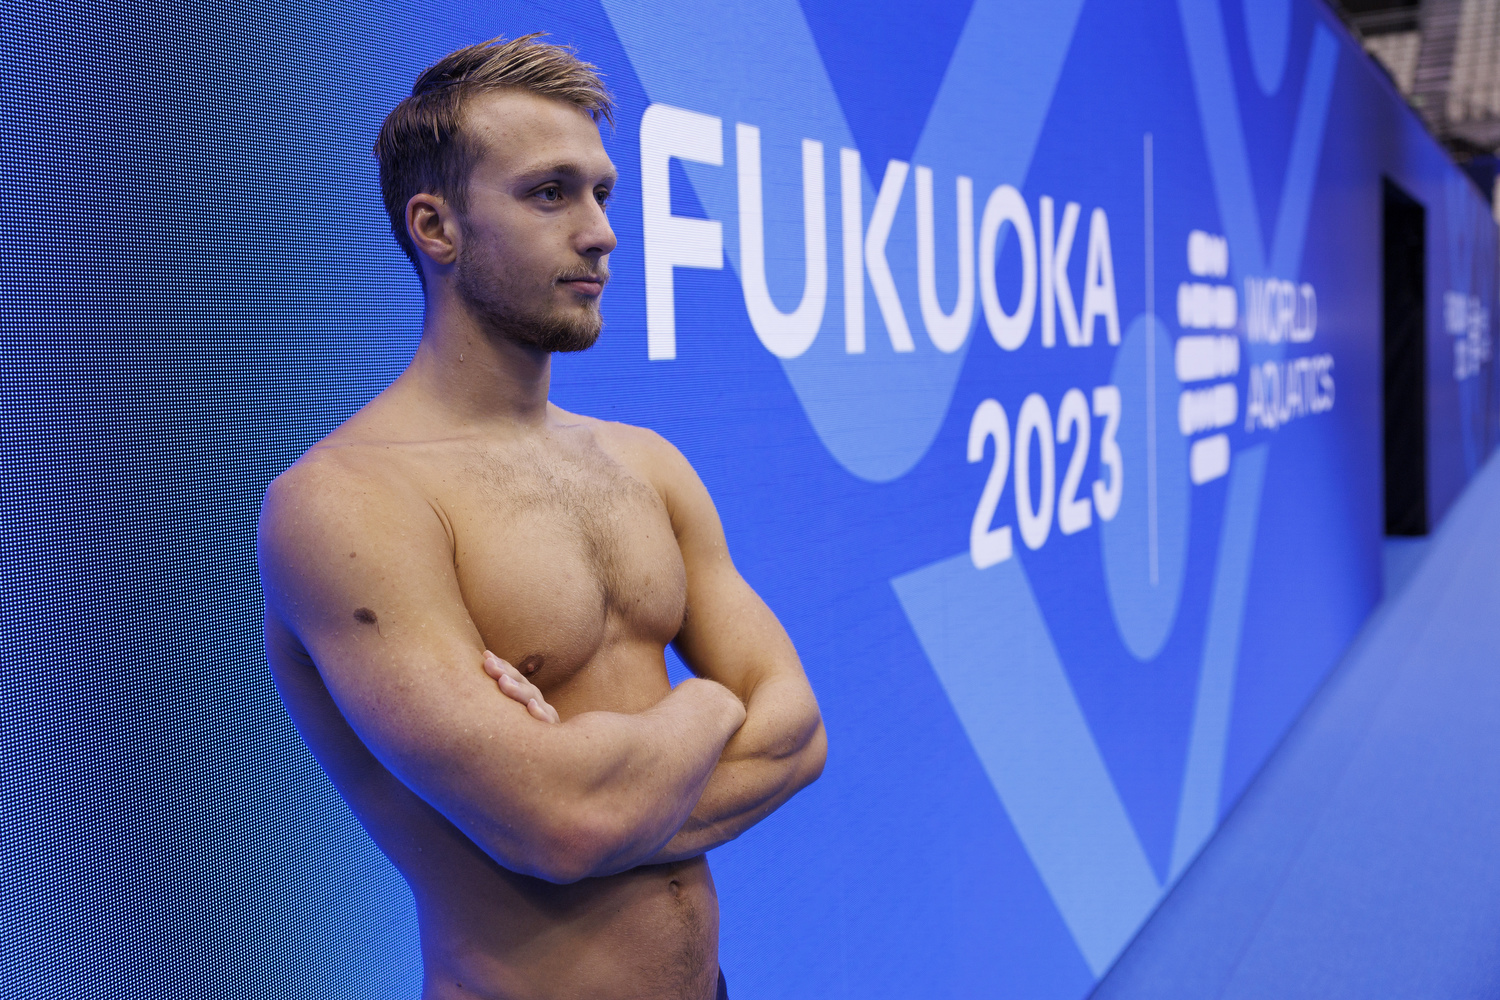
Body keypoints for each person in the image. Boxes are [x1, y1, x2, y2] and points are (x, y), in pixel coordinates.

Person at [257, 34, 827, 1000]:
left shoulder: (647, 463)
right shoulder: (347, 501)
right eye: (550, 193)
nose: (601, 232)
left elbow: (800, 734)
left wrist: (609, 796)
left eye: (602, 193)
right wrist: (708, 704)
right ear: (436, 227)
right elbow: (560, 826)